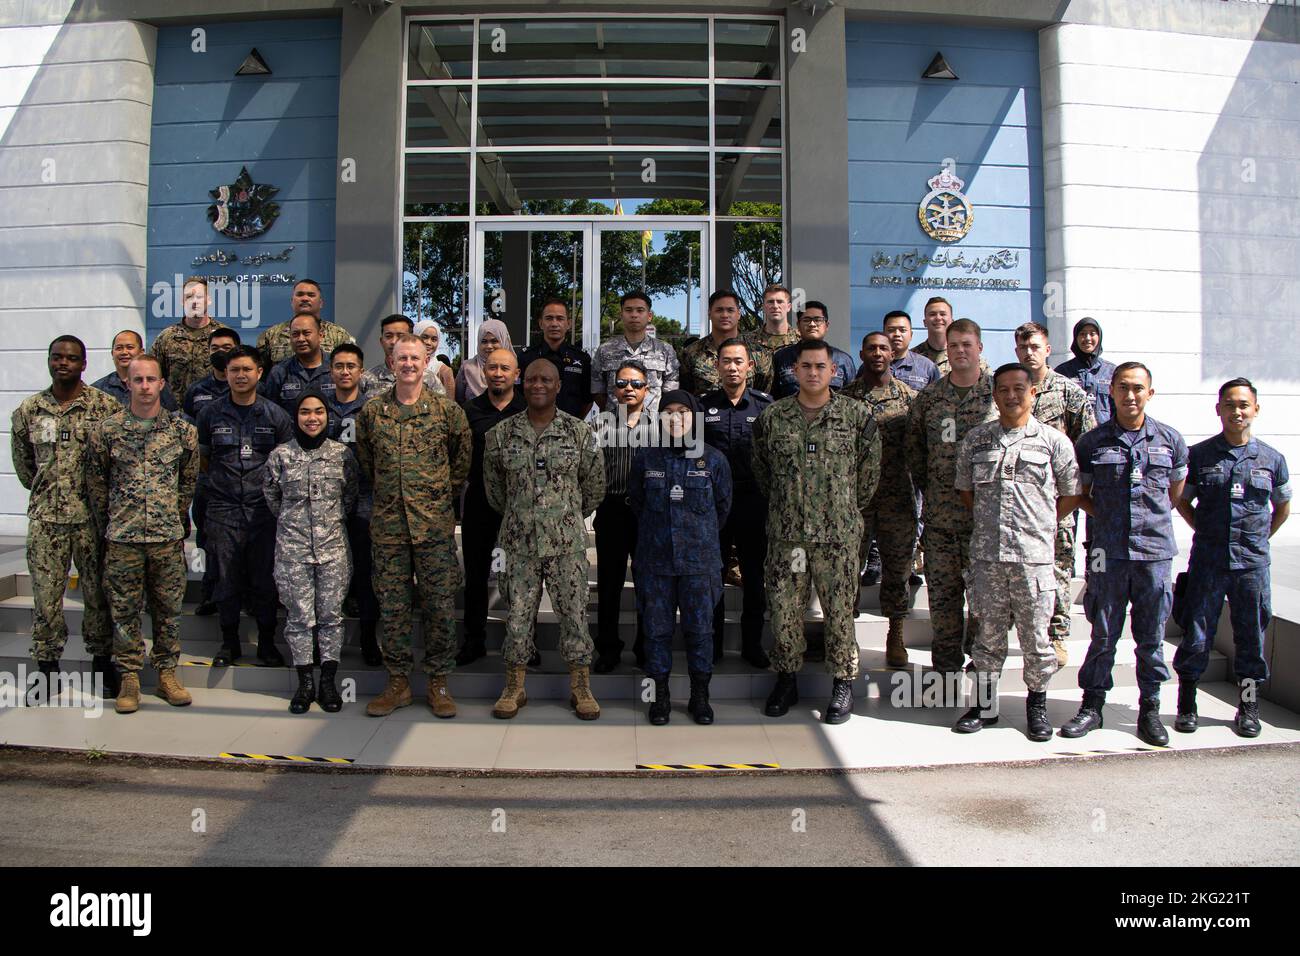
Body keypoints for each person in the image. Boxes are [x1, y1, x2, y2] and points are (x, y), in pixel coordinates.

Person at [755, 338, 881, 724]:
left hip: (837, 537)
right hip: (788, 537)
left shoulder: (857, 416)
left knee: (840, 612)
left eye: (820, 366)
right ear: (795, 371)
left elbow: (869, 475)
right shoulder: (773, 418)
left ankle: (843, 682)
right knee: (785, 611)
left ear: (833, 371)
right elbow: (763, 473)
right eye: (805, 366)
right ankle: (787, 678)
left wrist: (840, 509)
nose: (812, 373)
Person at [954, 363, 1082, 740]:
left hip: (1033, 559)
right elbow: (966, 493)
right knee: (987, 639)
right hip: (988, 558)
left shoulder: (1054, 442)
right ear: (994, 395)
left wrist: (1039, 523)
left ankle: (1037, 709)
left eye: (1019, 389)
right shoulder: (977, 441)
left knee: (1036, 640)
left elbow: (1071, 493)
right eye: (1004, 389)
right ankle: (985, 707)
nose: (1011, 395)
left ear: (1032, 393)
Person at [1064, 362, 1188, 746]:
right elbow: (1078, 493)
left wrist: (1145, 517)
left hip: (1154, 553)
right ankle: (1092, 706)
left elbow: (1175, 492)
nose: (1130, 395)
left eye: (1138, 388)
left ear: (1150, 393)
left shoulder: (1170, 440)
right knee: (1103, 633)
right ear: (1111, 391)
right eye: (1122, 387)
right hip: (1106, 552)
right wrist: (1112, 516)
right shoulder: (1092, 442)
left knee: (1150, 638)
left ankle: (1149, 710)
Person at [484, 356, 606, 720]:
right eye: (533, 379)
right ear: (523, 383)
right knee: (518, 617)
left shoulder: (579, 433)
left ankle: (581, 687)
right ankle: (514, 687)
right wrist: (524, 515)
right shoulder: (501, 435)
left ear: (558, 386)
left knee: (574, 616)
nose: (539, 385)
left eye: (546, 380)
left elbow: (595, 486)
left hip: (565, 544)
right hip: (518, 544)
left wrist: (564, 514)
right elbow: (494, 491)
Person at [357, 335, 471, 718]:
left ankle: (438, 681)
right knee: (393, 607)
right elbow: (368, 463)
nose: (408, 364)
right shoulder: (372, 413)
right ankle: (398, 683)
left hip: (433, 527)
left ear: (426, 363)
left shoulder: (446, 412)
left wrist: (439, 495)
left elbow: (461, 460)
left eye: (415, 358)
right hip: (389, 527)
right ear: (391, 364)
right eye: (401, 358)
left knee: (439, 606)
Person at [1174, 378, 1289, 738]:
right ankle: (1187, 703)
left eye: (1243, 405)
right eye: (1229, 405)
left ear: (1255, 409)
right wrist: (1203, 531)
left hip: (1251, 567)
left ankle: (1248, 706)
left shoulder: (1272, 459)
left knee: (1251, 639)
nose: (1236, 411)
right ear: (1218, 409)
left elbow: (1282, 508)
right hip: (1208, 562)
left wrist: (1257, 540)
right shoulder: (1201, 456)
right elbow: (1182, 500)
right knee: (1196, 635)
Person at [85, 354, 198, 714]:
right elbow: (97, 484)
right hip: (123, 539)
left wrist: (175, 520)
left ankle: (166, 675)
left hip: (166, 538)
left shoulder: (182, 432)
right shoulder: (107, 431)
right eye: (138, 380)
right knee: (124, 611)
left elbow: (188, 483)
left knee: (168, 611)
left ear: (162, 384)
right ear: (128, 384)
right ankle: (129, 678)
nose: (146, 386)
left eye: (152, 380)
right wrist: (115, 522)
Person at [11, 336, 121, 700]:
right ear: (48, 361)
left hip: (92, 520)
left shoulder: (105, 407)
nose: (63, 364)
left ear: (84, 364)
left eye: (71, 359)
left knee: (97, 595)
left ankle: (103, 663)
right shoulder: (29, 410)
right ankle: (46, 669)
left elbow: (115, 463)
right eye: (57, 357)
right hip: (47, 521)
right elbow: (26, 468)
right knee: (46, 599)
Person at [629, 390, 732, 725]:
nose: (675, 418)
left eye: (683, 412)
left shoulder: (713, 459)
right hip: (655, 562)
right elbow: (637, 501)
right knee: (656, 631)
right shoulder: (646, 458)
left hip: (699, 564)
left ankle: (699, 697)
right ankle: (660, 697)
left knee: (700, 632)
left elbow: (722, 508)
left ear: (694, 417)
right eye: (668, 412)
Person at [905, 318, 997, 679]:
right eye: (954, 344)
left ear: (979, 348)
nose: (960, 351)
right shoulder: (929, 399)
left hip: (984, 524)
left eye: (967, 344)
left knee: (984, 604)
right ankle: (944, 671)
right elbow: (915, 453)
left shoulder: (997, 396)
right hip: (941, 522)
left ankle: (981, 667)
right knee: (943, 602)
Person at [196, 345, 294, 667]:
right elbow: (204, 458)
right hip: (223, 510)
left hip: (263, 511)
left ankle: (266, 644)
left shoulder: (275, 415)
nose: (240, 375)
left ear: (259, 373)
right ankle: (229, 643)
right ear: (226, 373)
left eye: (246, 370)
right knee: (226, 579)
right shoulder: (210, 414)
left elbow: (284, 463)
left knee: (264, 580)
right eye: (234, 370)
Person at [264, 390, 359, 714]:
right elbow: (272, 498)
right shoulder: (280, 456)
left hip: (333, 548)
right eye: (305, 412)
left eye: (318, 411)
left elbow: (350, 497)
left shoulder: (342, 455)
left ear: (327, 416)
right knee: (300, 618)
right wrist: (297, 527)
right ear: (296, 416)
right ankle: (305, 683)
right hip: (293, 549)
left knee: (331, 616)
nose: (312, 418)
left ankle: (328, 681)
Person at [1014, 321, 1097, 667]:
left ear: (1047, 349)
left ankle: (1057, 635)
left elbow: (1088, 446)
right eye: (1023, 347)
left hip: (1056, 502)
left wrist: (1077, 495)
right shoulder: (1007, 389)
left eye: (1035, 346)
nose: (1029, 352)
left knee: (1058, 567)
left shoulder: (1068, 391)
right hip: (1015, 502)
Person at [842, 331, 918, 667]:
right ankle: (848, 636)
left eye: (883, 348)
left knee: (897, 568)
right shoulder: (844, 398)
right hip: (856, 498)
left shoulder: (910, 399)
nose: (877, 353)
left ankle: (895, 634)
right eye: (871, 347)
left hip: (897, 497)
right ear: (861, 352)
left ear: (893, 353)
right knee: (849, 567)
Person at [700, 339, 774, 669]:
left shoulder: (764, 406)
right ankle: (712, 643)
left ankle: (753, 644)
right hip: (713, 503)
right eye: (726, 361)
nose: (732, 367)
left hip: (752, 501)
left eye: (738, 361)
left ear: (750, 367)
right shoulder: (702, 407)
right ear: (716, 366)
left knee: (755, 577)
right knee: (712, 575)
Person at [456, 347, 526, 666]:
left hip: (520, 504)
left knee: (522, 575)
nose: (498, 373)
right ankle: (474, 639)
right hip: (480, 500)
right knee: (476, 574)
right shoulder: (469, 410)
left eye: (505, 368)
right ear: (484, 372)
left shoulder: (529, 409)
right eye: (493, 367)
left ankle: (525, 640)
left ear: (516, 374)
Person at [591, 360, 653, 673]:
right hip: (612, 509)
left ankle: (645, 647)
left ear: (648, 388)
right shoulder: (601, 424)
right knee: (609, 584)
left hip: (646, 514)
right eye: (622, 383)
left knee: (647, 583)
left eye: (636, 383)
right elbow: (589, 469)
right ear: (614, 389)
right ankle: (608, 648)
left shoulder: (660, 425)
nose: (629, 388)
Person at [325, 343, 382, 665]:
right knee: (332, 574)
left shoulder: (372, 410)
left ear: (361, 372)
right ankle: (327, 643)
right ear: (331, 370)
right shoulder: (318, 407)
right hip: (328, 504)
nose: (345, 372)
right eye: (339, 366)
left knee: (365, 573)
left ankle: (367, 638)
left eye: (351, 366)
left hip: (364, 500)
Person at [182, 327, 241, 617]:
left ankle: (245, 595)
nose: (221, 351)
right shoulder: (197, 391)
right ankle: (209, 593)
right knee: (207, 541)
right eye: (215, 347)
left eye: (227, 346)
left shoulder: (249, 384)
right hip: (207, 481)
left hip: (242, 483)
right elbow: (191, 436)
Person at [591, 291, 680, 418]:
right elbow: (597, 390)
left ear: (649, 316)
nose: (634, 315)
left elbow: (671, 392)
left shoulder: (664, 350)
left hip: (654, 424)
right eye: (628, 310)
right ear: (621, 314)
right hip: (614, 424)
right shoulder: (605, 350)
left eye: (640, 310)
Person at [679, 290, 773, 396]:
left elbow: (763, 396)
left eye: (730, 310)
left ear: (738, 314)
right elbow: (687, 398)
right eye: (719, 310)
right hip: (704, 412)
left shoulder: (759, 353)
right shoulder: (691, 353)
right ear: (709, 314)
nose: (725, 315)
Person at [153, 276, 230, 401]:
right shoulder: (166, 338)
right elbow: (153, 377)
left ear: (208, 300)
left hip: (216, 411)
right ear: (182, 301)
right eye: (189, 297)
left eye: (199, 297)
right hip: (177, 414)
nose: (194, 301)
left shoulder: (224, 336)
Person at [516, 299, 595, 419]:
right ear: (541, 323)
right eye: (549, 318)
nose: (554, 323)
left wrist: (574, 424)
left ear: (568, 324)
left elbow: (588, 399)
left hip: (570, 429)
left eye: (560, 318)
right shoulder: (526, 357)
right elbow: (518, 395)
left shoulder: (581, 358)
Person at [256, 278, 353, 368]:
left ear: (321, 303)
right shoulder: (272, 334)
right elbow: (259, 373)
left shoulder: (339, 335)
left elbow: (351, 369)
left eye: (311, 295)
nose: (305, 298)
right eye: (300, 294)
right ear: (292, 301)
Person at [770, 302, 857, 399]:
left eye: (817, 320)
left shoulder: (843, 360)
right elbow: (772, 397)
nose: (812, 324)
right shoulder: (782, 357)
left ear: (826, 325)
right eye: (806, 320)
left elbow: (852, 398)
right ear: (798, 325)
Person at [260, 313, 335, 414]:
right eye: (295, 334)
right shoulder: (279, 372)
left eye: (306, 333)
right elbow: (271, 414)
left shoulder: (337, 368)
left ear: (320, 336)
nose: (301, 339)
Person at [361, 314, 445, 399]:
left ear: (411, 339)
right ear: (381, 341)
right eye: (388, 336)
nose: (394, 341)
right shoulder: (367, 379)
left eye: (401, 336)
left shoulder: (429, 379)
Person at [93, 329, 178, 411]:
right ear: (112, 353)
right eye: (119, 348)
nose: (124, 352)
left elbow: (172, 416)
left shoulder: (157, 385)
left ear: (141, 352)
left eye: (129, 347)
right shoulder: (98, 389)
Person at [1055, 317, 1116, 425]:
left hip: (1105, 436)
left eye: (1092, 334)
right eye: (1082, 334)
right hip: (1073, 436)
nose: (1087, 338)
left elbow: (1118, 407)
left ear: (1099, 337)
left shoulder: (1112, 371)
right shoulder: (1062, 372)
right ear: (1076, 338)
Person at [181, 327, 240, 424]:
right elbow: (189, 425)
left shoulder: (252, 387)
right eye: (215, 348)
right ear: (208, 351)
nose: (220, 352)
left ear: (237, 349)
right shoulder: (196, 389)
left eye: (226, 348)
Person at [455, 318, 514, 405]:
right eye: (484, 341)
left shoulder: (514, 368)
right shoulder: (467, 368)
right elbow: (458, 400)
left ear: (504, 341)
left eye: (494, 341)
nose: (489, 346)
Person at [880, 311, 940, 393]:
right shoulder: (871, 365)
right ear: (883, 335)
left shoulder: (928, 368)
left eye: (902, 330)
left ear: (911, 335)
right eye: (891, 330)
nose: (897, 334)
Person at [745, 283, 800, 353]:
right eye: (770, 302)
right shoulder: (747, 341)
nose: (775, 306)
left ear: (789, 307)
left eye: (780, 302)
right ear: (763, 307)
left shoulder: (801, 340)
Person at [414, 319, 456, 396]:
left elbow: (450, 404)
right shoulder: (405, 365)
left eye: (434, 339)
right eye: (424, 337)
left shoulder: (444, 371)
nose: (428, 342)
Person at [912, 296, 954, 373]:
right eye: (932, 314)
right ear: (924, 322)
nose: (938, 318)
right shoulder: (912, 358)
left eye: (943, 314)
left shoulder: (961, 355)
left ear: (952, 321)